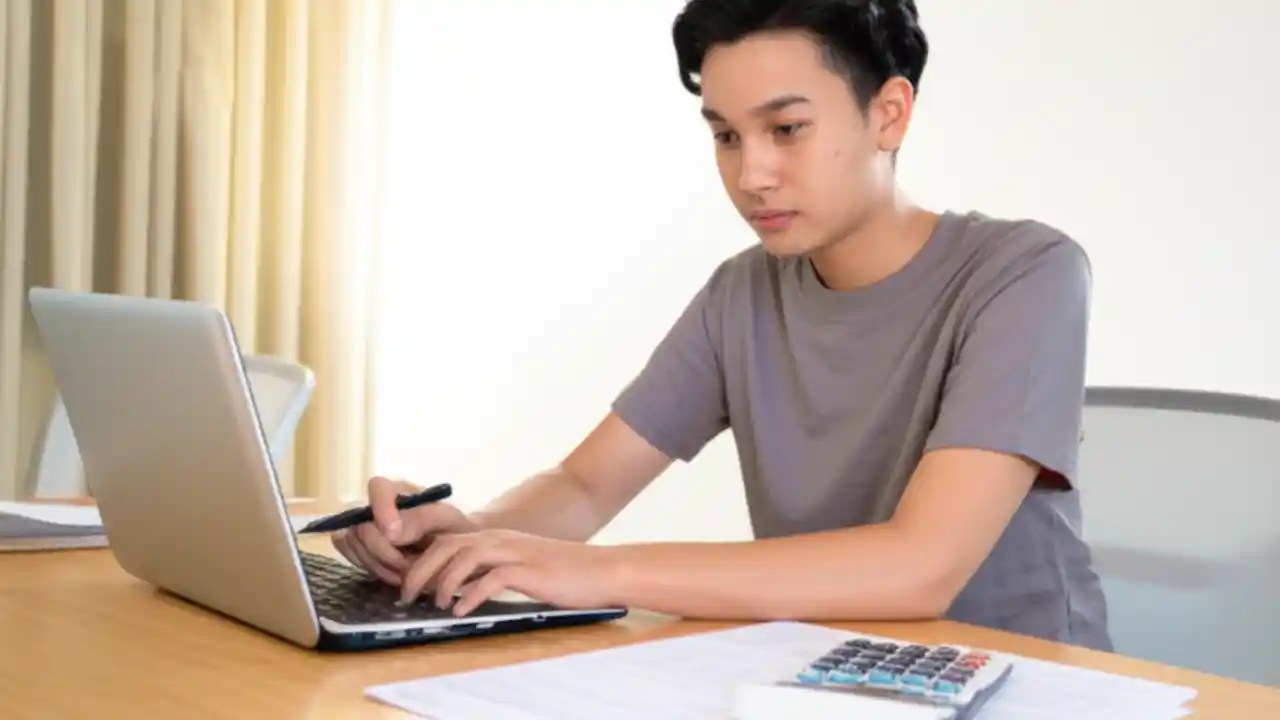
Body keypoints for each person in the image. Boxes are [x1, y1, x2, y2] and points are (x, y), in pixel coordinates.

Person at [333, 0, 1112, 650]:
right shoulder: (744, 293)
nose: (752, 175)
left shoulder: (1025, 272)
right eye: (726, 135)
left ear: (890, 114)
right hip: (823, 671)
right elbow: (585, 484)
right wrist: (465, 538)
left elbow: (920, 567)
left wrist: (601, 573)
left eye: (787, 129)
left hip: (1021, 683)